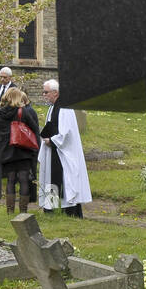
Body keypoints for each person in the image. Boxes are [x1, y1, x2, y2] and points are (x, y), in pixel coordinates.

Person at [38, 79, 91, 218]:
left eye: (46, 92)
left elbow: (66, 131)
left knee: (65, 180)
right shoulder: (52, 107)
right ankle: (52, 207)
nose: (44, 95)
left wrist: (53, 141)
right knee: (51, 177)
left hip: (63, 152)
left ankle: (68, 211)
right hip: (54, 150)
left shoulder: (65, 108)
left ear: (55, 93)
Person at [0, 86, 39, 215]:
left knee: (10, 180)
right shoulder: (22, 112)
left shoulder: (0, 112)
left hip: (7, 149)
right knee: (24, 179)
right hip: (23, 149)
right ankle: (23, 211)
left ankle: (9, 210)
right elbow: (35, 128)